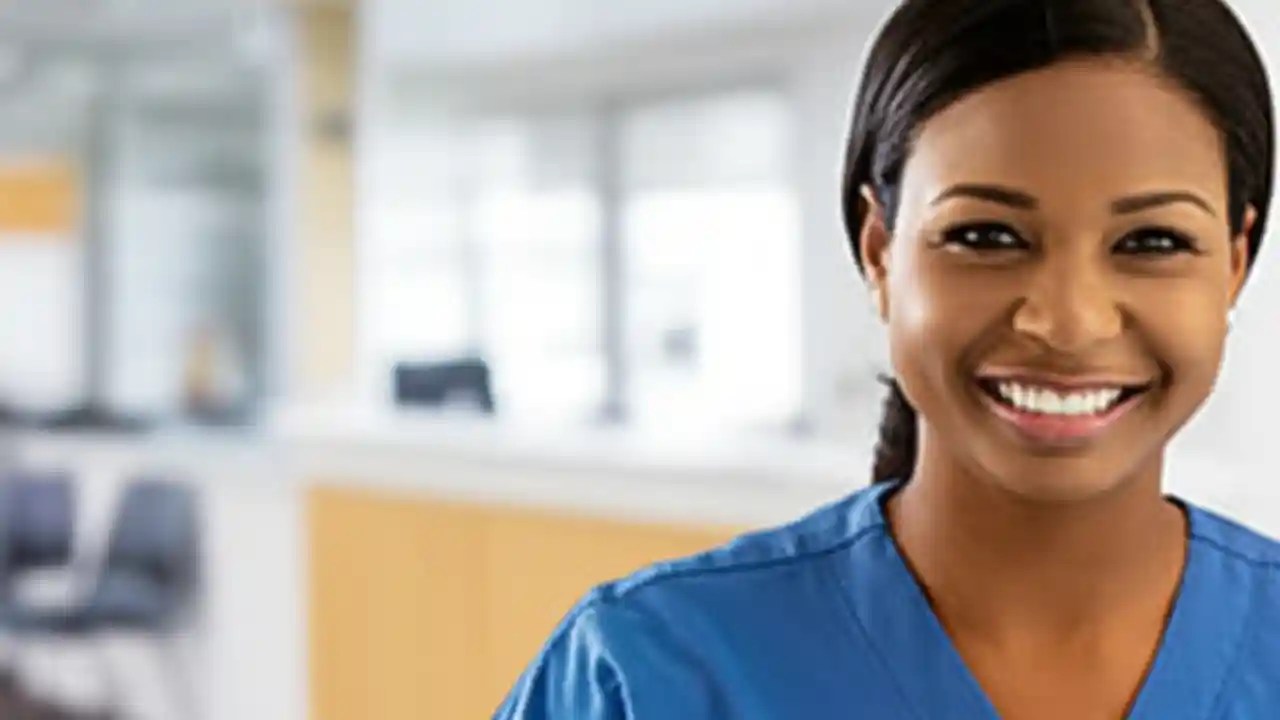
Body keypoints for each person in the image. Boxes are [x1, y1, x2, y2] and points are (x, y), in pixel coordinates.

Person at [495, 0, 1278, 717]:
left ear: (1235, 263)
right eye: (986, 236)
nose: (1068, 323)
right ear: (880, 251)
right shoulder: (648, 675)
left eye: (1152, 242)